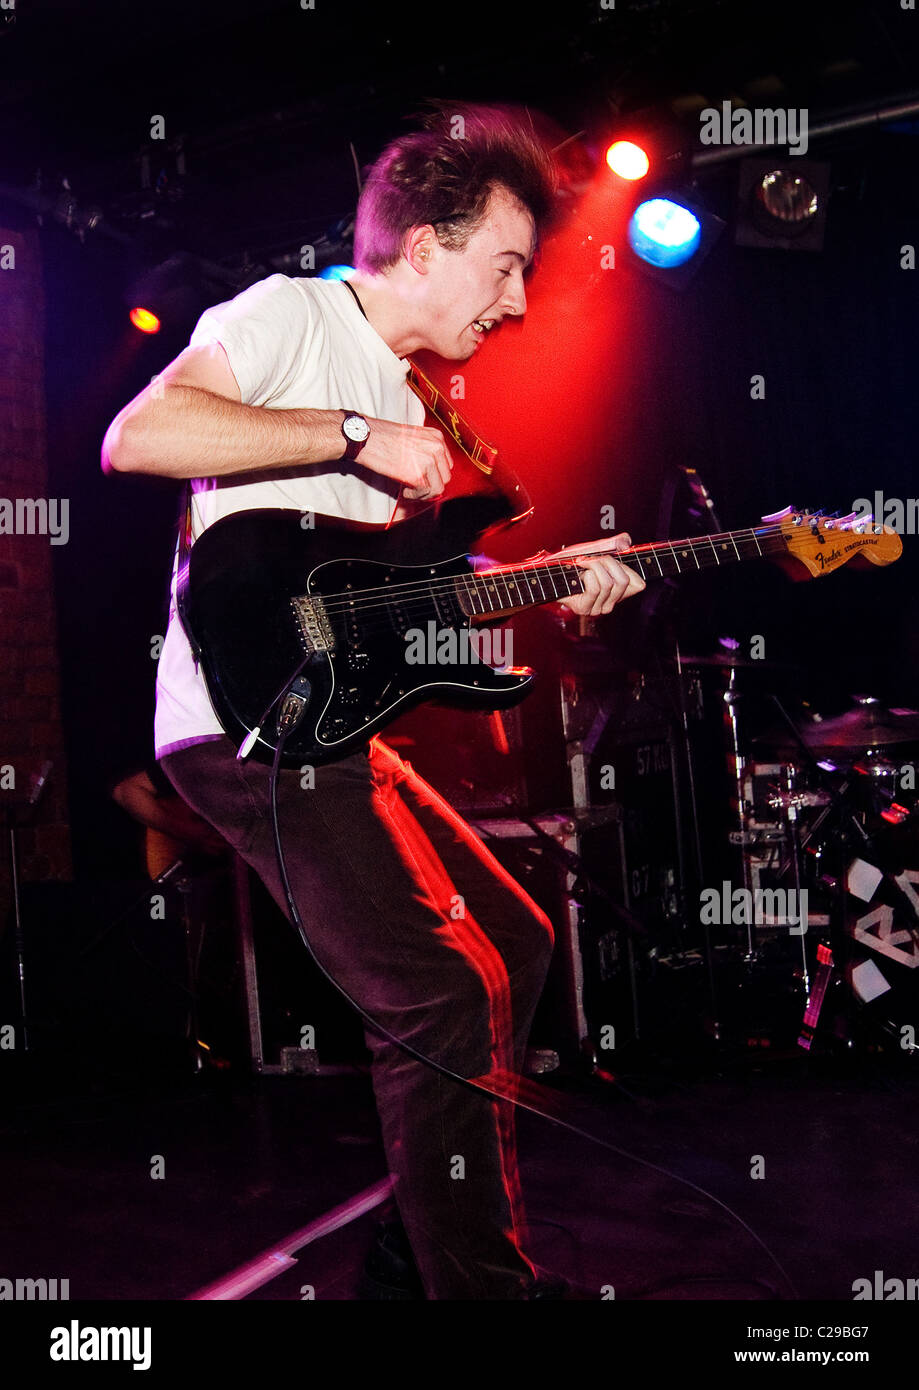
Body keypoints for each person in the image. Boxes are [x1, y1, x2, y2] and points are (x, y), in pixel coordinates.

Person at [102, 103, 645, 1299]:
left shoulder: (417, 400)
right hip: (245, 728)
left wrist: (554, 589)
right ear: (427, 244)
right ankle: (477, 1290)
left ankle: (414, 1256)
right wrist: (351, 434)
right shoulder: (293, 316)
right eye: (504, 265)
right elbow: (138, 436)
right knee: (439, 989)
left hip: (330, 723)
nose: (512, 302)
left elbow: (385, 602)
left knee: (515, 936)